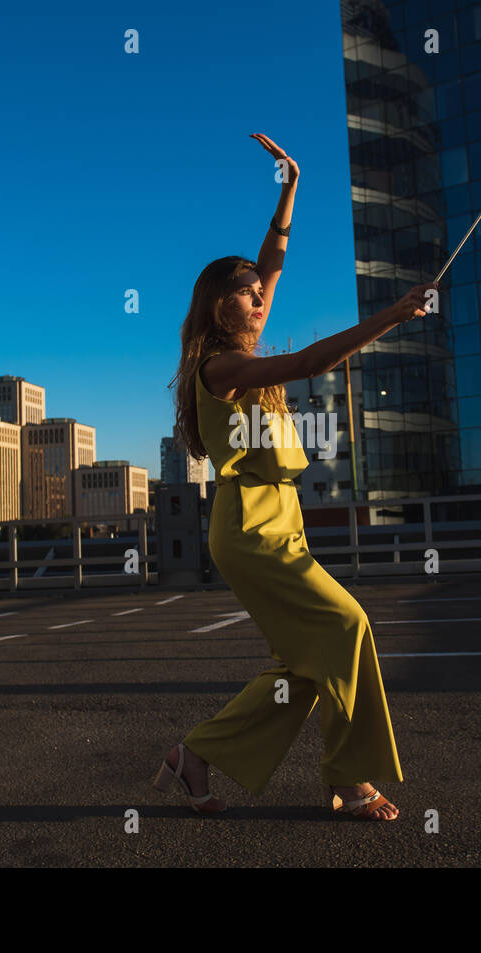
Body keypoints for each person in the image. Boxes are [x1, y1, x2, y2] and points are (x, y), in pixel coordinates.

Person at [156, 132, 438, 821]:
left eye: (259, 291)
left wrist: (290, 186)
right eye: (247, 293)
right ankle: (349, 778)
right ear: (218, 306)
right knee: (348, 625)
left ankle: (195, 754)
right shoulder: (219, 369)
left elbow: (272, 256)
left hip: (280, 519)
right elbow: (310, 364)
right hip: (250, 527)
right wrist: (395, 314)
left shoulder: (243, 336)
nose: (260, 297)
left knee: (305, 666)